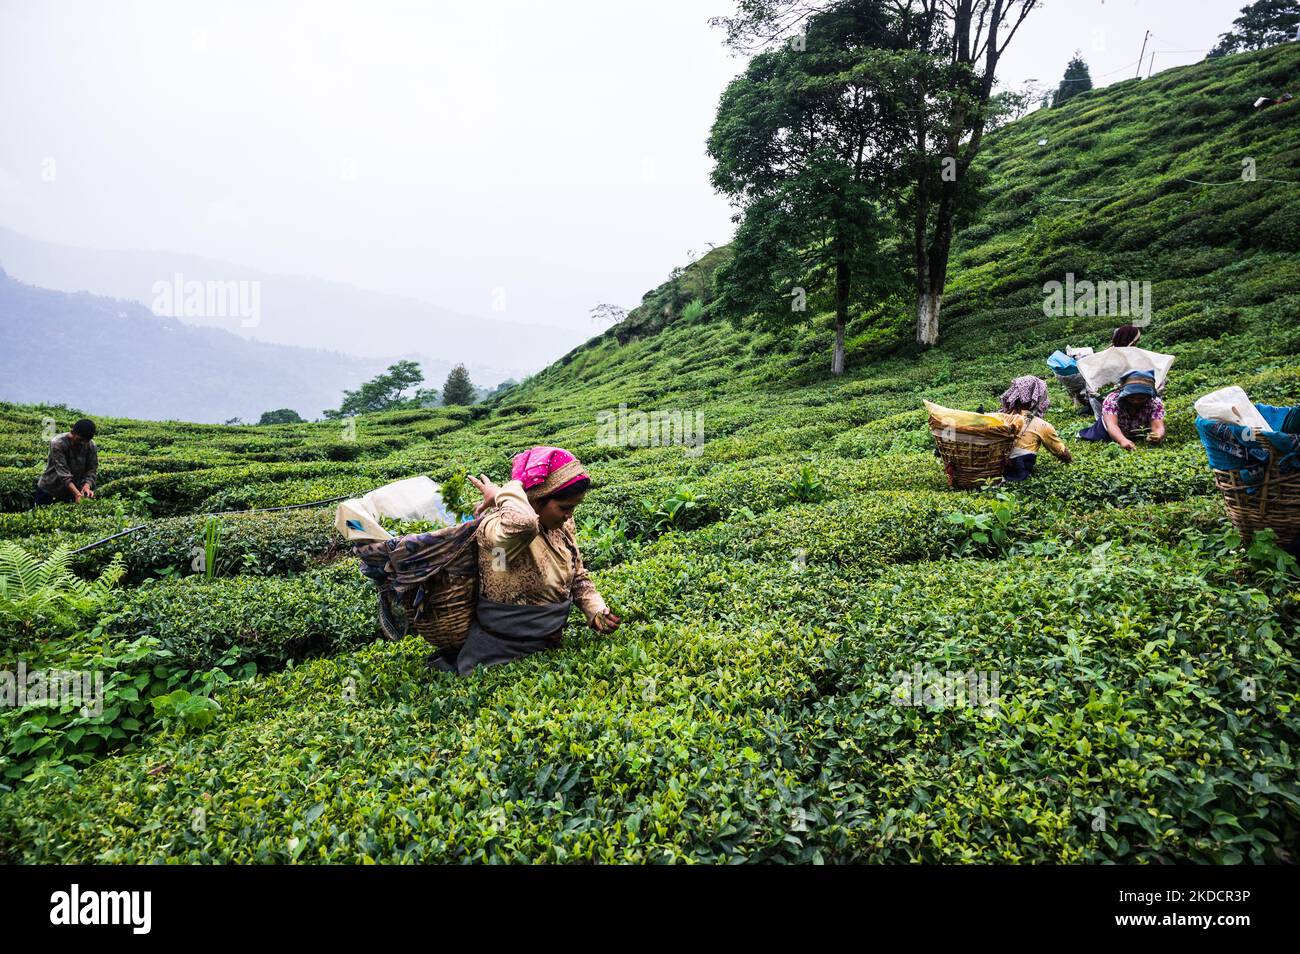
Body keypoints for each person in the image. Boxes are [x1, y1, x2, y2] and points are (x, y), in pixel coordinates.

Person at [431, 446, 621, 675]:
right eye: (564, 507)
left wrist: (595, 609)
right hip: (500, 656)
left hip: (548, 646)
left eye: (574, 507)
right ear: (537, 497)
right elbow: (523, 523)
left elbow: (576, 575)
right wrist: (505, 491)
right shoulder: (496, 529)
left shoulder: (562, 527)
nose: (569, 515)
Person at [995, 376, 1072, 481]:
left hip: (990, 471)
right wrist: (1071, 462)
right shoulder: (1042, 425)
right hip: (1016, 474)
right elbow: (1061, 453)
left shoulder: (997, 417)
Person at [1080, 370, 1165, 449]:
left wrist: (1157, 435)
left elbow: (1158, 426)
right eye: (1131, 397)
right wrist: (1122, 440)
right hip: (1109, 431)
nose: (1135, 401)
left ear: (1148, 397)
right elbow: (1112, 425)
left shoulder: (1155, 403)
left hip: (1138, 431)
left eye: (1141, 398)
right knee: (1099, 437)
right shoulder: (1112, 400)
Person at [34, 419, 99, 507]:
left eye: (86, 441)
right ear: (72, 433)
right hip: (50, 489)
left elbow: (92, 469)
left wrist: (87, 486)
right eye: (80, 440)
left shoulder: (91, 445)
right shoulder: (58, 443)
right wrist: (77, 494)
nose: (83, 444)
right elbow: (63, 474)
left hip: (72, 491)